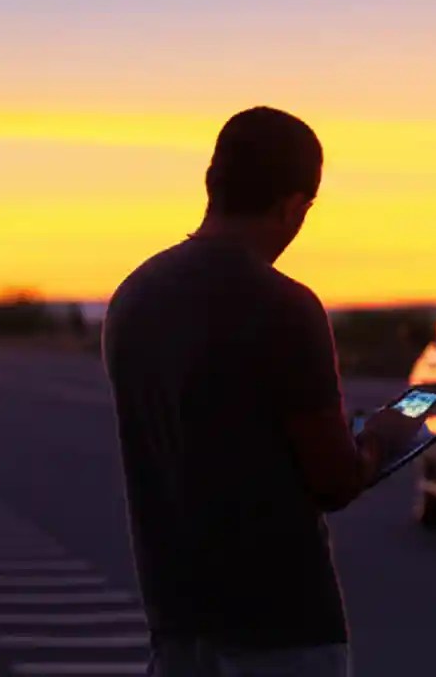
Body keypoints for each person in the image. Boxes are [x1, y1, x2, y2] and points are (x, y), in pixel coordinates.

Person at [102, 106, 402, 676]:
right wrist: (380, 441)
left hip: (177, 625)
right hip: (281, 629)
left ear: (213, 184)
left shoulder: (133, 298)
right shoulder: (285, 306)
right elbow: (333, 479)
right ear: (293, 204)